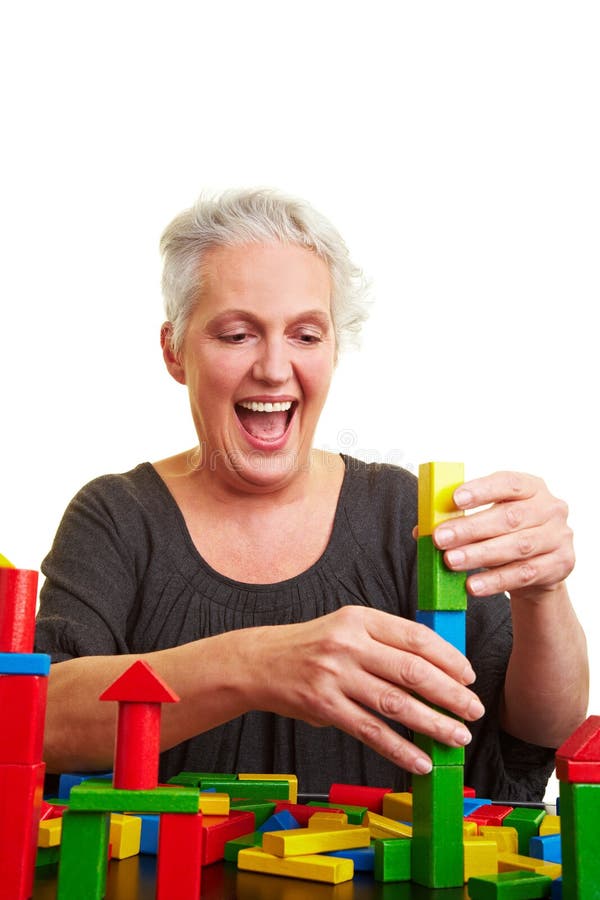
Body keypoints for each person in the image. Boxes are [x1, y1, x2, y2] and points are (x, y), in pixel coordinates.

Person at [35, 188, 588, 800]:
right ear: (174, 351)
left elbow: (539, 731)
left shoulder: (401, 512)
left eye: (305, 335)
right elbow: (39, 720)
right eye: (238, 334)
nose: (274, 368)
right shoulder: (116, 518)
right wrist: (258, 663)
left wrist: (544, 593)